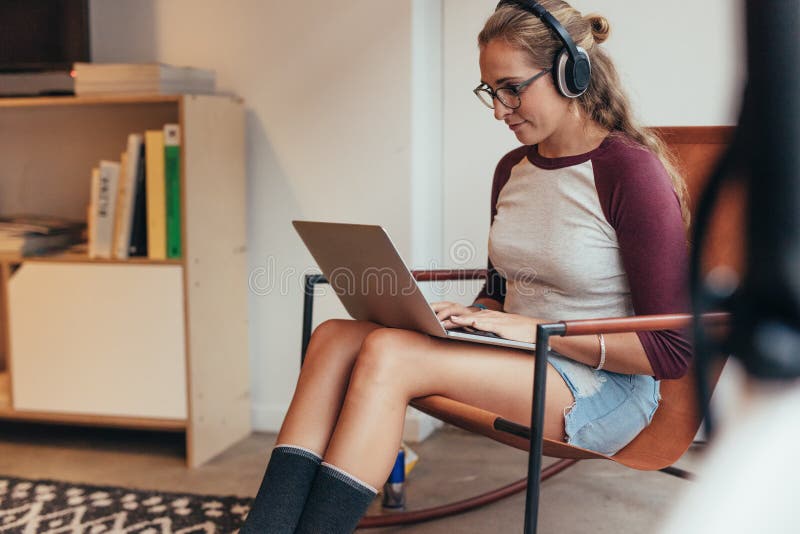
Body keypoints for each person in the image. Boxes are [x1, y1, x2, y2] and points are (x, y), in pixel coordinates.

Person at [241, 1, 691, 532]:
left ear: (572, 73)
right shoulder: (512, 169)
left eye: (512, 88)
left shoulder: (628, 172)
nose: (499, 110)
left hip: (603, 388)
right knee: (335, 337)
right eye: (490, 92)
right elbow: (500, 292)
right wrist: (468, 316)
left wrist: (535, 331)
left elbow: (670, 350)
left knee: (389, 354)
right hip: (523, 357)